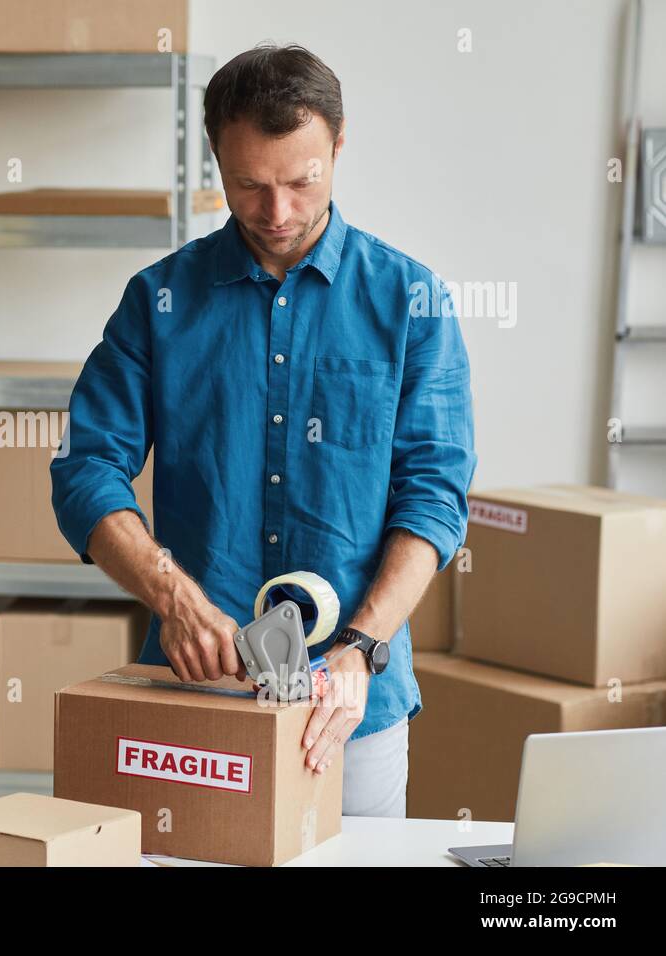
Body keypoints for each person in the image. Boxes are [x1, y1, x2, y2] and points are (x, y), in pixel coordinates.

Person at [50, 43, 476, 818]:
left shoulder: (411, 300)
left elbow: (435, 496)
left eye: (301, 181)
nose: (276, 214)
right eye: (247, 185)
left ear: (339, 147)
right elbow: (85, 470)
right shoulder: (158, 301)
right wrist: (169, 594)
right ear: (215, 158)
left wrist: (364, 646)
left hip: (355, 706)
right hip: (194, 696)